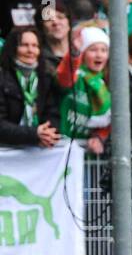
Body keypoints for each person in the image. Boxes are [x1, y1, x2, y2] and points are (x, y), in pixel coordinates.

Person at [0, 25, 59, 148]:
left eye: (35, 46)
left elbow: (52, 113)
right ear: (13, 48)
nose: (30, 50)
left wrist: (47, 134)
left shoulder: (45, 78)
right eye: (24, 45)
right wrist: (34, 134)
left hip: (37, 147)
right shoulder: (2, 77)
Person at [56, 25, 112, 156]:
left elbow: (110, 120)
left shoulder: (108, 82)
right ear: (83, 53)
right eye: (93, 50)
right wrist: (74, 54)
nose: (99, 55)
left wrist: (99, 137)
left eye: (104, 50)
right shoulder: (76, 75)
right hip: (62, 150)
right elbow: (64, 75)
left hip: (89, 156)